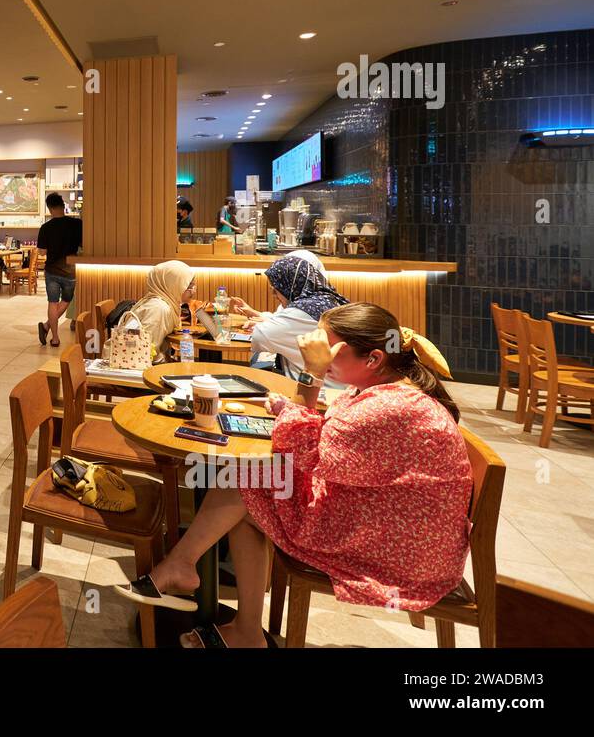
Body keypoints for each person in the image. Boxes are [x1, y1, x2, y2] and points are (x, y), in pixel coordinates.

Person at [115, 302, 470, 649]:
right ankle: (237, 621)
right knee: (248, 484)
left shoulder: (388, 406)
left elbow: (304, 452)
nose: (320, 358)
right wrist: (293, 407)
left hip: (401, 550)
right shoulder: (387, 389)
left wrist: (311, 376)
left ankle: (183, 567)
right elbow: (326, 440)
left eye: (329, 351)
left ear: (373, 359)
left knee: (246, 478)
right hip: (392, 522)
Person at [230, 254, 349, 380]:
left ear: (289, 285)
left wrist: (262, 324)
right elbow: (289, 324)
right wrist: (263, 318)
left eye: (275, 289)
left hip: (318, 385)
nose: (274, 294)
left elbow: (260, 337)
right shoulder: (324, 298)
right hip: (339, 381)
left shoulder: (301, 309)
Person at [36, 192, 82, 347]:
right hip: (70, 270)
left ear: (49, 208)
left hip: (52, 271)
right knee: (66, 300)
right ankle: (46, 326)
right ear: (63, 206)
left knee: (52, 302)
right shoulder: (77, 224)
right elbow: (84, 244)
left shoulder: (46, 227)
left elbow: (42, 252)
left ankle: (54, 337)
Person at [130, 261, 196, 361]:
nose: (193, 291)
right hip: (137, 366)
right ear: (172, 285)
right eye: (188, 286)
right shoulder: (158, 309)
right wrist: (168, 361)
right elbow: (146, 352)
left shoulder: (163, 303)